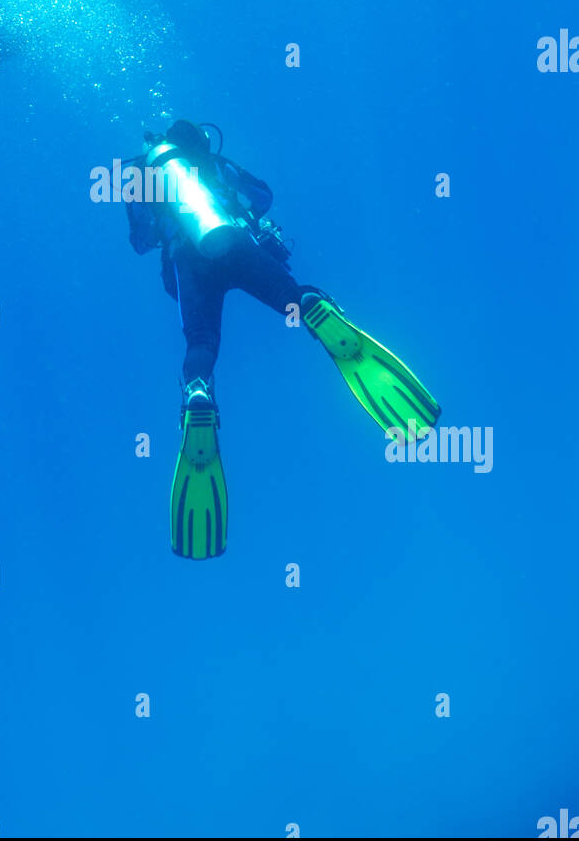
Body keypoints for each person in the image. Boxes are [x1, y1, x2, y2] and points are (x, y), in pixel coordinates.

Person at [125, 119, 440, 560]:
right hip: (232, 236)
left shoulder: (149, 175)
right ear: (197, 140)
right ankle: (317, 313)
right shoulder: (210, 164)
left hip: (186, 256)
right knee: (290, 297)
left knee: (200, 341)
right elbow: (263, 196)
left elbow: (139, 240)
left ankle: (198, 395)